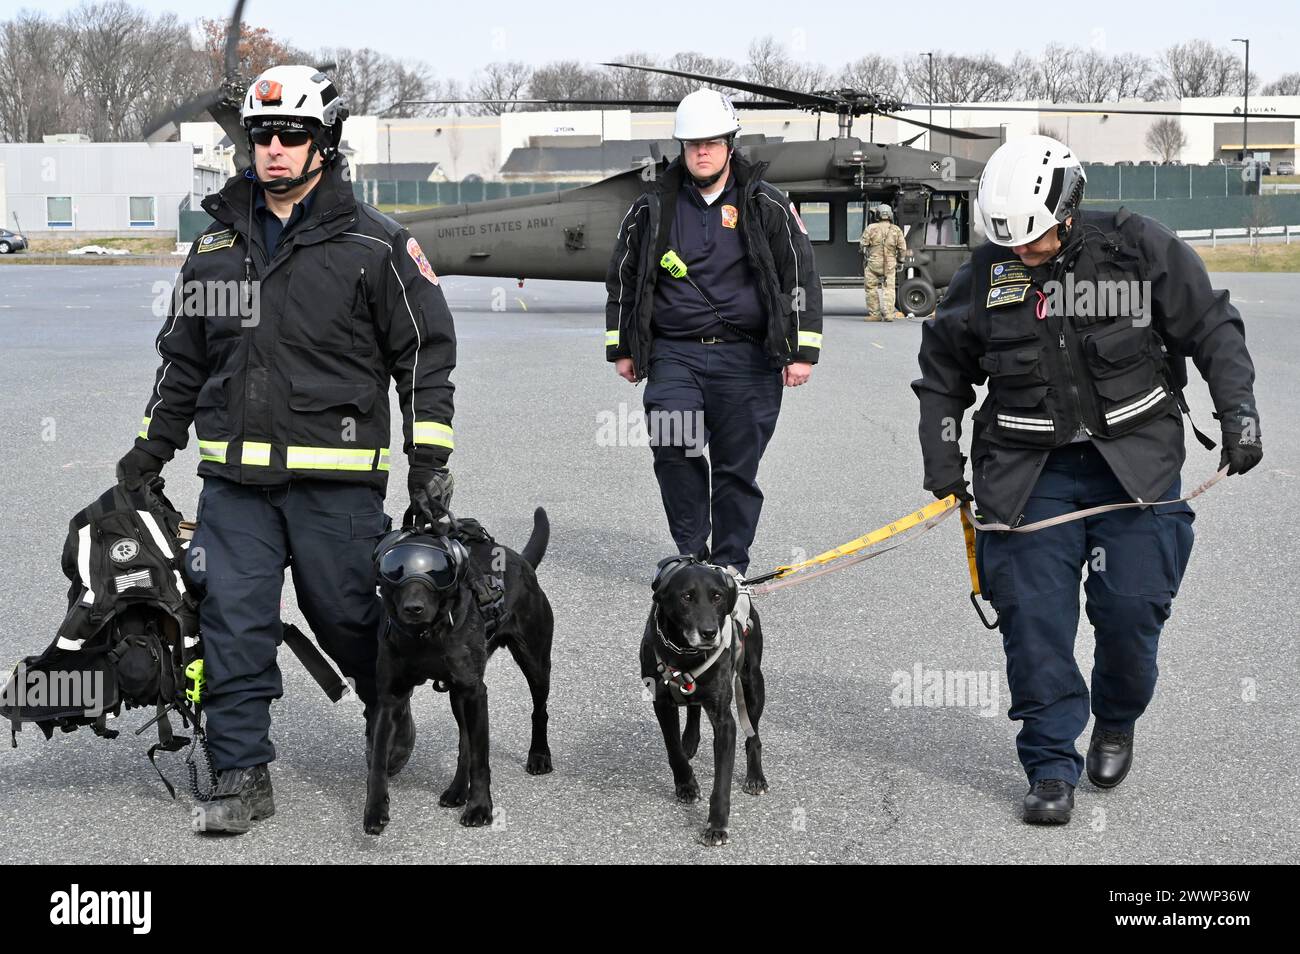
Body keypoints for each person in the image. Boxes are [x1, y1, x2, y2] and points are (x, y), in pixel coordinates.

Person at [117, 65, 458, 833]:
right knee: (235, 619)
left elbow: (427, 355)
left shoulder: (376, 245)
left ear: (324, 142)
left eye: (292, 135)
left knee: (344, 616)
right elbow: (183, 363)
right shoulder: (213, 245)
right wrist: (148, 451)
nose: (273, 148)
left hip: (336, 483)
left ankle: (388, 704)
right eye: (262, 135)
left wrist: (429, 462)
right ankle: (243, 775)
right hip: (235, 483)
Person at [912, 135, 1261, 825]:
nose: (1025, 253)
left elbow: (1212, 327)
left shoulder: (1137, 249)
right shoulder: (986, 276)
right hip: (1026, 475)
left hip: (1133, 465)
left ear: (1068, 209)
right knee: (1034, 624)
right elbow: (943, 377)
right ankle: (1048, 764)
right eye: (1011, 242)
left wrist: (1239, 415)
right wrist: (942, 457)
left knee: (1132, 611)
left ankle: (1117, 717)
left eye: (1037, 239)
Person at [605, 89, 823, 577]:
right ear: (682, 149)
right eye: (691, 144)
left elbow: (799, 279)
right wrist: (622, 347)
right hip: (675, 355)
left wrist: (801, 350)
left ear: (729, 144)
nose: (701, 152)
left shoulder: (767, 204)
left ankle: (729, 565)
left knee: (735, 470)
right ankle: (690, 551)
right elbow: (623, 276)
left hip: (748, 358)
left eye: (710, 142)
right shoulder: (652, 208)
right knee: (673, 445)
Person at [860, 205, 907, 321]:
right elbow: (902, 248)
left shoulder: (871, 228)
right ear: (890, 215)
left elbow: (863, 246)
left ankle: (875, 314)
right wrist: (900, 260)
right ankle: (889, 314)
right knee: (889, 289)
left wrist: (866, 256)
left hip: (873, 263)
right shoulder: (896, 229)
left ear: (878, 215)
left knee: (871, 288)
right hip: (890, 265)